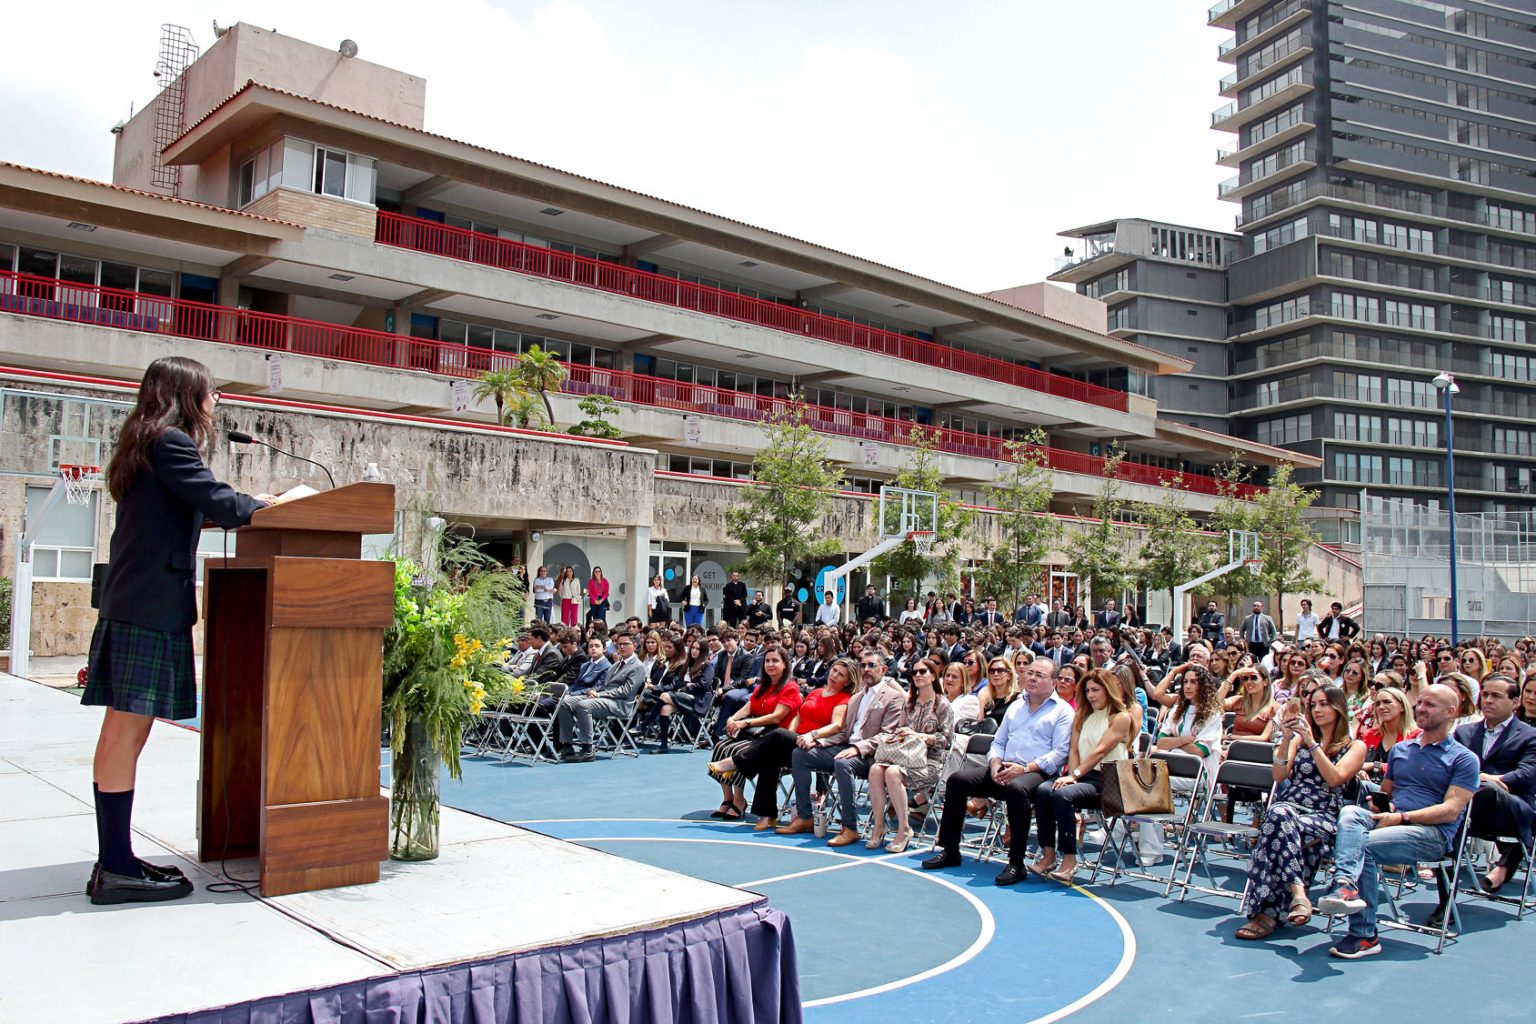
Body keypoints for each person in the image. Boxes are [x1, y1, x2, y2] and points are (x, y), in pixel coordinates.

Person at [82, 357, 270, 905]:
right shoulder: (170, 443)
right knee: (125, 731)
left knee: (128, 732)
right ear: (187, 395)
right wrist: (261, 506)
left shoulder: (146, 442)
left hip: (138, 601)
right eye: (210, 393)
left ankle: (115, 857)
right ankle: (115, 865)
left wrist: (235, 507)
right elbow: (214, 498)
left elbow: (187, 508)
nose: (215, 403)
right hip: (147, 606)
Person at [1317, 683, 1479, 960]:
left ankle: (1364, 935)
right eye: (1421, 703)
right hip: (1394, 822)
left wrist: (1401, 817)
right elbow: (1387, 795)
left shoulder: (1464, 759)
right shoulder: (1402, 750)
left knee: (1363, 846)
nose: (1421, 708)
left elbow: (1451, 810)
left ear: (1451, 712)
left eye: (1430, 705)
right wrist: (1379, 803)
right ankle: (1345, 883)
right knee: (1350, 814)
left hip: (1432, 835)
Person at [922, 658, 1073, 885]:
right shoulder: (1016, 706)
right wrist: (994, 763)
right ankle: (950, 849)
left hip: (1037, 772)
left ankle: (1016, 862)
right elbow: (999, 742)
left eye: (1039, 675)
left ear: (1053, 683)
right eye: (1030, 673)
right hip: (1004, 766)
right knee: (957, 780)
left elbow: (1059, 754)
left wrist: (1024, 768)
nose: (1031, 678)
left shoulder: (1062, 712)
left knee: (1017, 788)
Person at [1234, 684, 1366, 939]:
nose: (1317, 710)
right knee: (1279, 817)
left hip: (1324, 813)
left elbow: (1335, 779)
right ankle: (1298, 895)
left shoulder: (1354, 746)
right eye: (1313, 704)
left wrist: (1312, 743)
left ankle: (1266, 914)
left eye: (1324, 704)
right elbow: (1279, 774)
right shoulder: (1297, 740)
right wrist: (1285, 738)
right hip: (1291, 809)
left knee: (1275, 821)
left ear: (1339, 708)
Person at [776, 650, 906, 846]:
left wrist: (857, 748)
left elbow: (887, 735)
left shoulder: (894, 697)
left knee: (842, 763)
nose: (866, 669)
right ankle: (804, 817)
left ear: (884, 669)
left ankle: (850, 828)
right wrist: (818, 741)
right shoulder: (856, 698)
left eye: (871, 665)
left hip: (870, 755)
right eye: (863, 665)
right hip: (844, 747)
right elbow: (843, 733)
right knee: (801, 754)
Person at [1030, 669, 1135, 884]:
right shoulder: (1082, 715)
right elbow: (1074, 750)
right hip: (1083, 778)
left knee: (1062, 795)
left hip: (1108, 782)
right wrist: (1073, 776)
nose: (1091, 695)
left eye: (1096, 690)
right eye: (1087, 690)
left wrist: (1075, 775)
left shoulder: (1121, 717)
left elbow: (1100, 751)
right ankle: (1048, 854)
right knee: (1042, 791)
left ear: (1108, 690)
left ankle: (1069, 860)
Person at [739, 657, 856, 831]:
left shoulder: (843, 699)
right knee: (771, 754)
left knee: (777, 734)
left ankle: (737, 763)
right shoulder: (816, 692)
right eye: (834, 670)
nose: (834, 675)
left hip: (816, 744)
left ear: (847, 681)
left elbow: (836, 725)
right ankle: (767, 814)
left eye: (841, 675)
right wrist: (792, 734)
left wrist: (811, 735)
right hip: (797, 739)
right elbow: (798, 716)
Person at [1448, 674, 1536, 899]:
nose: (1487, 700)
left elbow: (1526, 774)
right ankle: (1446, 882)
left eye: (1496, 696)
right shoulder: (1464, 733)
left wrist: (1489, 780)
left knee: (1487, 790)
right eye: (1485, 695)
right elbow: (1449, 769)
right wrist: (1482, 778)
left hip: (1510, 810)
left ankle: (1441, 845)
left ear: (1514, 703)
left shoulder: (1530, 736)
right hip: (1470, 809)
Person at [865, 656, 954, 852]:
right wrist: (898, 734)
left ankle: (904, 829)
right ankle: (879, 824)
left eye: (923, 672)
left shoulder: (942, 705)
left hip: (929, 762)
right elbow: (900, 729)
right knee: (875, 770)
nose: (918, 675)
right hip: (905, 755)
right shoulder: (909, 703)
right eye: (914, 672)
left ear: (933, 676)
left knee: (892, 773)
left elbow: (946, 740)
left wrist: (921, 736)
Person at [707, 648, 803, 822]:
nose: (771, 665)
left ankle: (739, 800)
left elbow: (777, 716)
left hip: (774, 739)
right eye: (767, 661)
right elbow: (749, 707)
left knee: (735, 749)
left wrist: (745, 723)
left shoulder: (790, 688)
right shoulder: (763, 687)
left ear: (785, 665)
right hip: (756, 734)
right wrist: (733, 718)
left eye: (775, 661)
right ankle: (728, 798)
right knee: (721, 745)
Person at [554, 633, 648, 762]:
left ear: (635, 645)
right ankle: (567, 746)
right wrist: (591, 692)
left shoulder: (638, 666)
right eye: (619, 644)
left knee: (584, 705)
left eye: (625, 644)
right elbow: (603, 685)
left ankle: (587, 749)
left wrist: (599, 694)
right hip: (604, 699)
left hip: (620, 704)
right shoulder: (615, 665)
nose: (621, 647)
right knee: (565, 703)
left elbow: (625, 691)